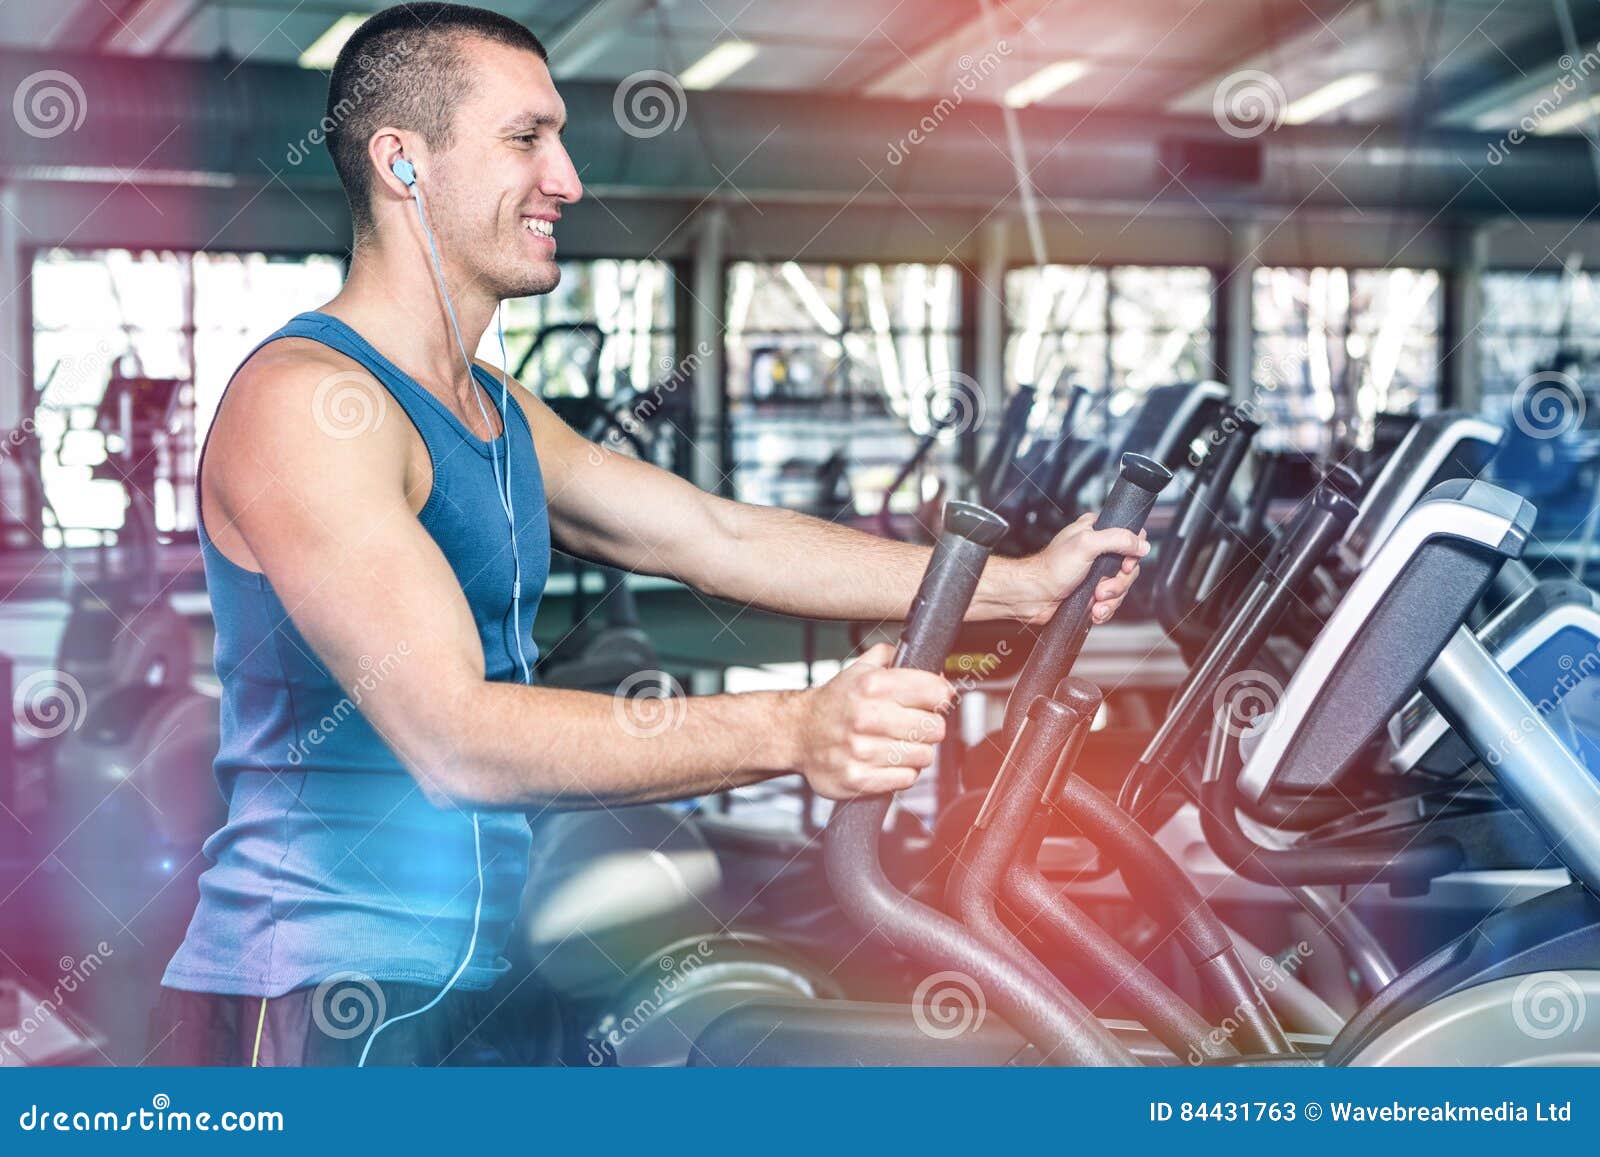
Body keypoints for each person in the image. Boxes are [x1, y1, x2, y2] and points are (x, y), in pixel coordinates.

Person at [146, 2, 1146, 1067]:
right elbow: (455, 737)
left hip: (493, 966)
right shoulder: (308, 402)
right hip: (327, 988)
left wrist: (1021, 585)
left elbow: (721, 537)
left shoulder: (494, 407)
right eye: (526, 139)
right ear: (402, 162)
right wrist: (796, 729)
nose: (567, 178)